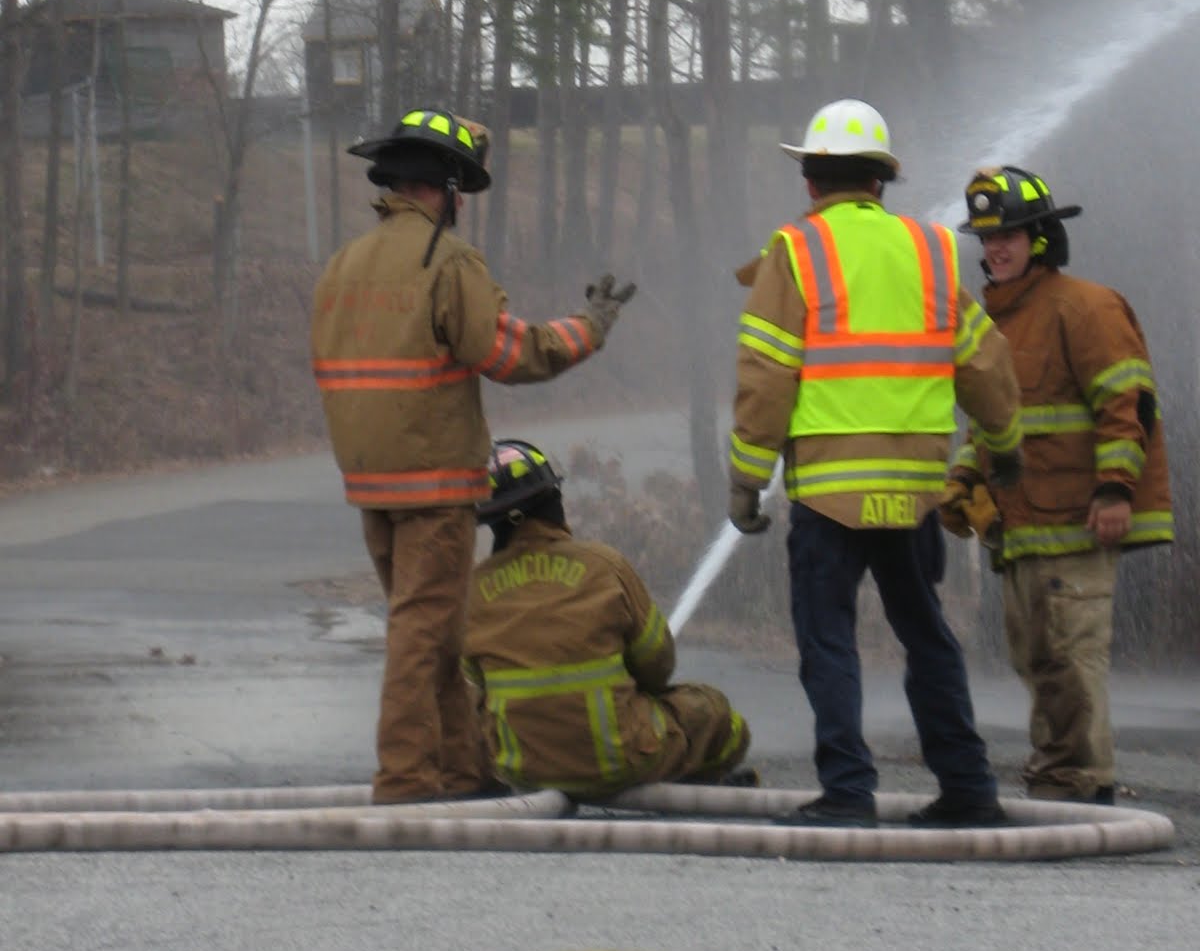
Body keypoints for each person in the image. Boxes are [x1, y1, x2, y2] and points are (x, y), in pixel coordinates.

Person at [311, 106, 635, 804]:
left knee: (440, 630)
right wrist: (590, 330)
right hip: (435, 483)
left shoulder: (345, 265)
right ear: (445, 187)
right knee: (420, 634)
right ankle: (403, 781)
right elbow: (507, 353)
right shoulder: (445, 259)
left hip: (373, 484)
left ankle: (464, 769)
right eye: (461, 188)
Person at [728, 98, 1023, 829]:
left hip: (829, 496)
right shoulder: (930, 251)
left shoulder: (794, 253)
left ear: (811, 182)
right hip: (916, 492)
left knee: (829, 640)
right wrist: (1004, 444)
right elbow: (986, 362)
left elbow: (766, 377)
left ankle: (849, 792)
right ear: (882, 181)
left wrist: (746, 479)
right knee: (926, 635)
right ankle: (968, 787)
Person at [949, 165, 1174, 805]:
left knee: (1074, 658)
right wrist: (964, 478)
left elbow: (1128, 404)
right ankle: (1056, 774)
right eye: (987, 239)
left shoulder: (1086, 307)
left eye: (1010, 236)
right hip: (1022, 528)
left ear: (1040, 237)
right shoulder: (998, 324)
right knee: (1037, 658)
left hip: (1077, 519)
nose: (995, 249)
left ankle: (1083, 782)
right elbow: (994, 423)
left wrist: (1114, 491)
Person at [463, 437, 754, 799]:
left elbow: (477, 682)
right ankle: (700, 789)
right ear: (551, 501)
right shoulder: (602, 566)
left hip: (522, 770)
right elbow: (657, 665)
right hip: (619, 761)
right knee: (715, 714)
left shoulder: (474, 590)